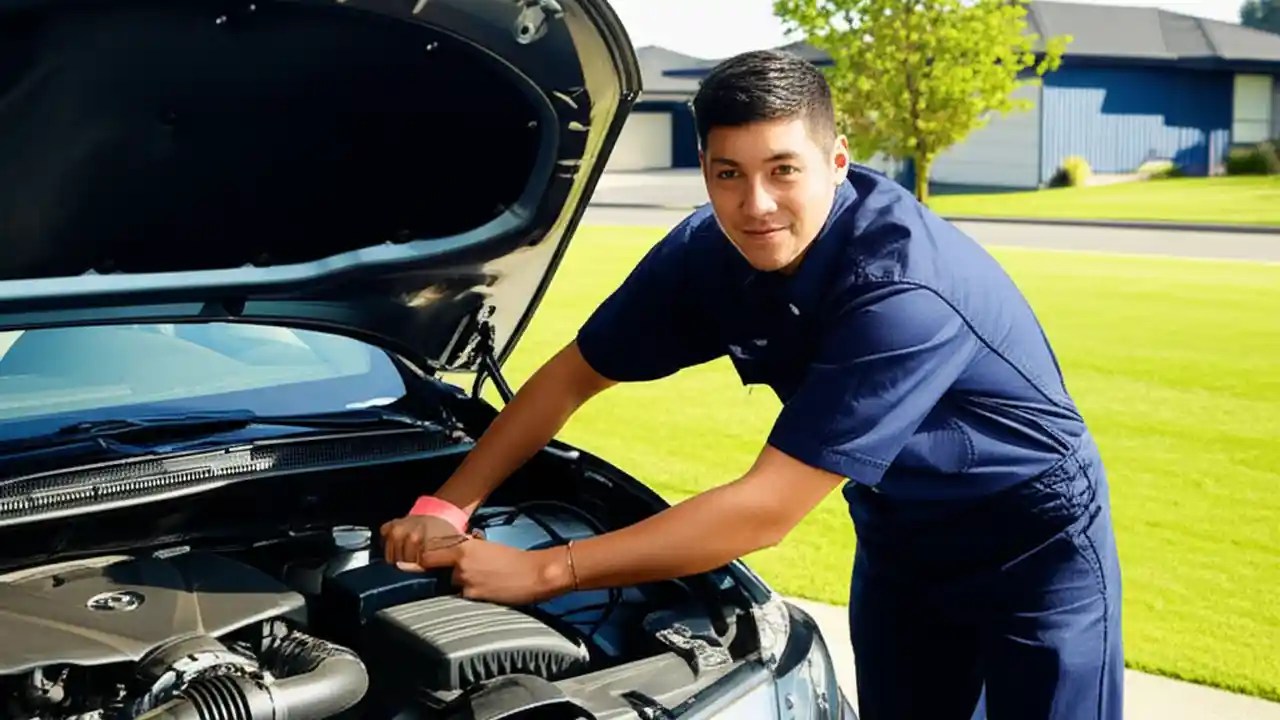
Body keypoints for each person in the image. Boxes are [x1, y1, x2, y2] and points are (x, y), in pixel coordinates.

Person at [380, 49, 1123, 719]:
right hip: (899, 540)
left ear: (837, 161)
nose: (755, 204)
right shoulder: (705, 253)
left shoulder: (902, 290)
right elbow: (572, 377)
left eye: (783, 170)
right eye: (727, 174)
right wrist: (449, 504)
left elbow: (765, 510)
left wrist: (543, 571)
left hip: (1033, 545)